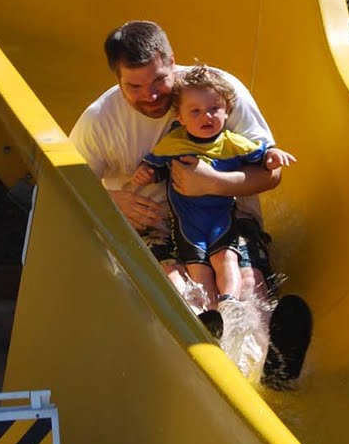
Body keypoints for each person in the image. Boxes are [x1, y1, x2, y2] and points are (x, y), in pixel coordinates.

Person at [70, 21, 312, 386]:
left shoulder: (215, 94)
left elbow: (271, 173)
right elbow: (64, 185)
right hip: (152, 226)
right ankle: (203, 347)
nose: (150, 95)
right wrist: (110, 200)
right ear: (117, 81)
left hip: (226, 215)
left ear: (173, 63)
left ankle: (270, 365)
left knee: (247, 281)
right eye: (133, 87)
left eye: (158, 81)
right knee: (178, 284)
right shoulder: (100, 120)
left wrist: (216, 183)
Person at [131, 66, 292, 330]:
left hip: (221, 220)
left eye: (214, 109)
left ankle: (229, 303)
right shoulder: (174, 143)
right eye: (195, 111)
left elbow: (261, 156)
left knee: (227, 259)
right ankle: (210, 316)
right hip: (188, 226)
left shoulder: (232, 142)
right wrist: (146, 173)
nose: (206, 116)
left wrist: (272, 156)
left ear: (227, 111)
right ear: (180, 117)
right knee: (199, 271)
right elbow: (155, 165)